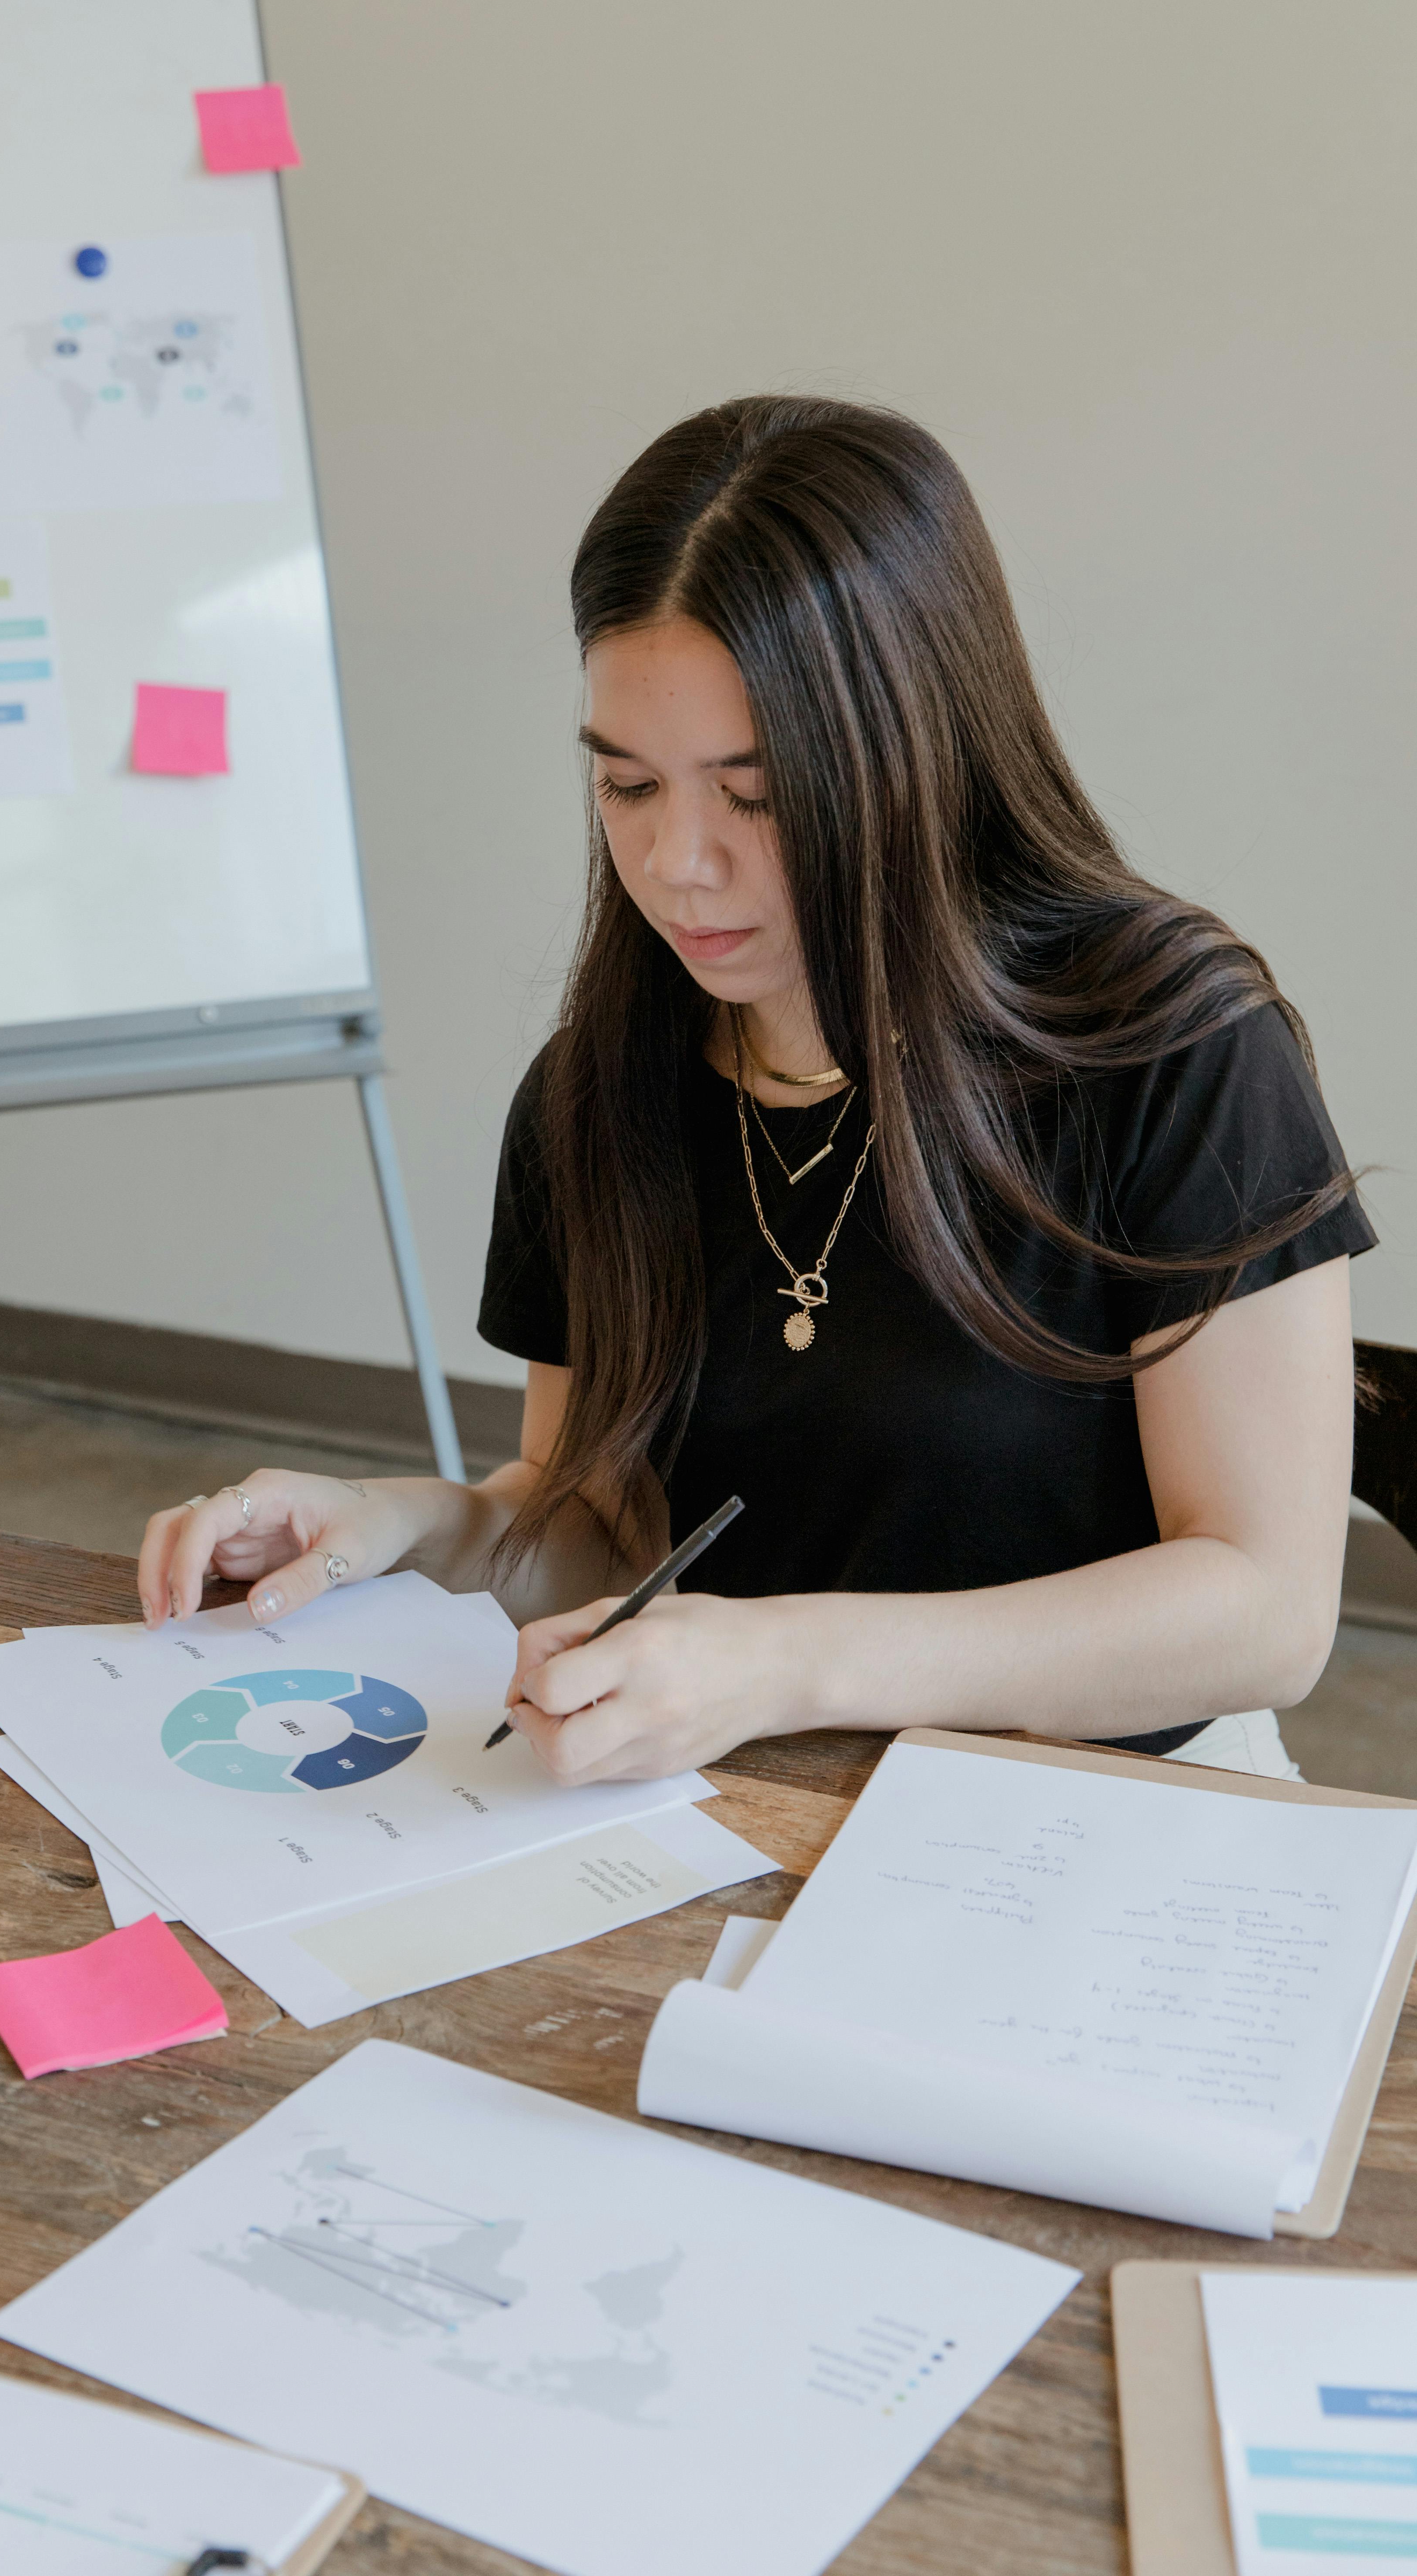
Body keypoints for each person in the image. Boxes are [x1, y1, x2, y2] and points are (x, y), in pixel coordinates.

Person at [140, 396, 1371, 1788]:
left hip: (1111, 1810)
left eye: (759, 795)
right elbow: (606, 1536)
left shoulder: (1171, 1046)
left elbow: (1268, 1614)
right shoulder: (601, 1095)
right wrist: (410, 1528)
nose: (677, 864)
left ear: (918, 755)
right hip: (740, 1799)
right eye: (628, 787)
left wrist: (783, 1662)